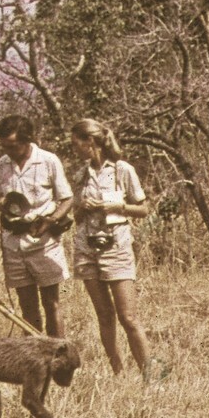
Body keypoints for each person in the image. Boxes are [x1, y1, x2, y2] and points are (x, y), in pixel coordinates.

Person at [69, 117, 152, 379]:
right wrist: (82, 208)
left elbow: (144, 208)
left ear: (90, 142)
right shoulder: (81, 174)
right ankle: (119, 374)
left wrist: (116, 207)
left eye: (77, 143)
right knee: (104, 316)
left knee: (128, 317)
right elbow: (76, 218)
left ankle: (151, 376)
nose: (74, 149)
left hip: (116, 246)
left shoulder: (121, 170)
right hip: (87, 247)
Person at [0, 114, 73, 337]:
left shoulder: (48, 160)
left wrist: (51, 221)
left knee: (51, 303)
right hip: (14, 243)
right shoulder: (2, 164)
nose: (8, 150)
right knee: (27, 306)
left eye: (13, 145)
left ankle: (58, 356)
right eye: (4, 146)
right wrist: (4, 205)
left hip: (44, 242)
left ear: (27, 140)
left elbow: (67, 198)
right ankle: (34, 361)